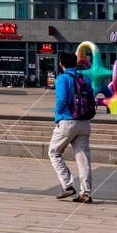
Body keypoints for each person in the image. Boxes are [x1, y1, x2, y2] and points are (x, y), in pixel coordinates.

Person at [49, 52, 94, 204]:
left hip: (67, 121)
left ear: (61, 64)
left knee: (54, 152)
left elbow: (62, 99)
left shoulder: (62, 78)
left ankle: (67, 185)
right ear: (75, 63)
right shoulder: (85, 78)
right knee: (83, 159)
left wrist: (57, 114)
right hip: (84, 122)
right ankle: (86, 193)